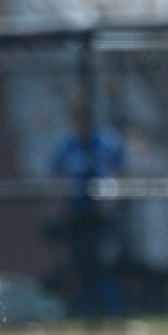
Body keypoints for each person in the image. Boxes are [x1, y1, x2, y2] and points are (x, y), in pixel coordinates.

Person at [47, 94, 127, 320]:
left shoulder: (106, 141)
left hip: (102, 214)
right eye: (75, 115)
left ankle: (110, 309)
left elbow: (122, 173)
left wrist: (110, 202)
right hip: (76, 212)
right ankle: (81, 309)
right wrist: (58, 206)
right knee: (78, 263)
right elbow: (57, 177)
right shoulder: (65, 144)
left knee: (102, 261)